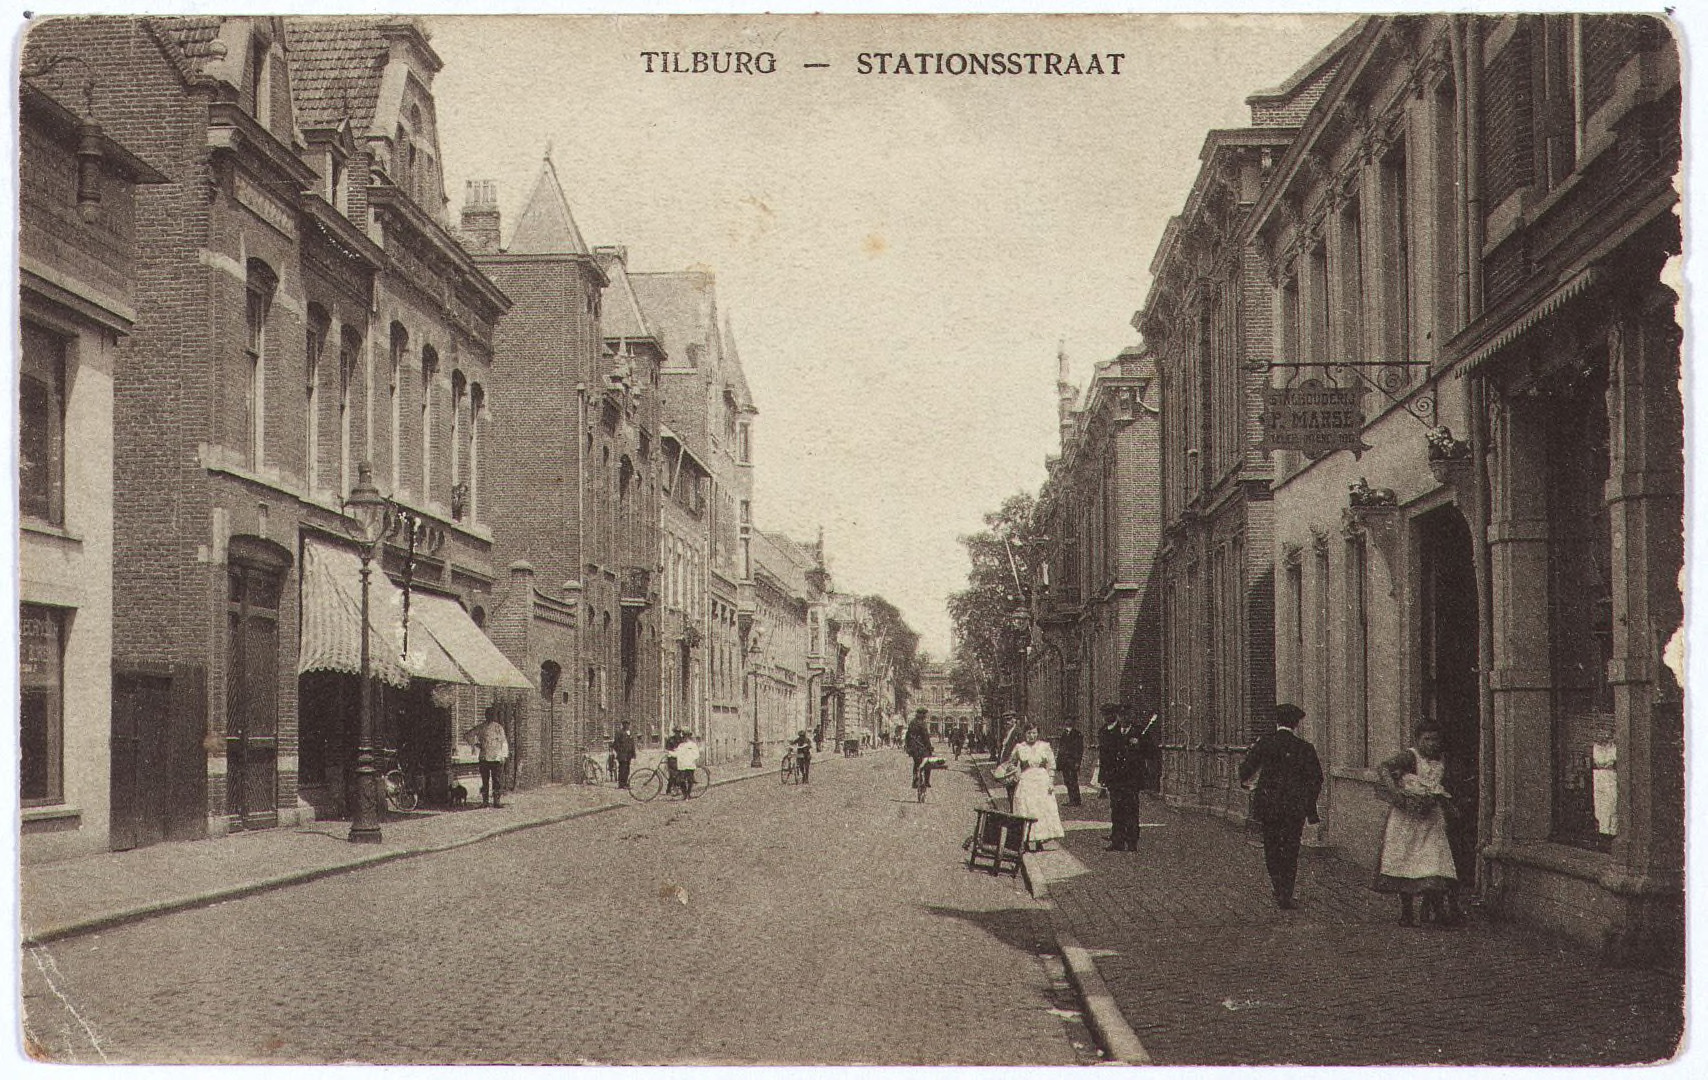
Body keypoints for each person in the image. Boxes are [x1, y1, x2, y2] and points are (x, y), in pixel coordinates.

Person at [1373, 723, 1460, 927]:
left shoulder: (1441, 761)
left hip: (1432, 819)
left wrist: (1448, 805)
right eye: (1427, 739)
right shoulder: (1410, 757)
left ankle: (1434, 910)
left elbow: (1441, 787)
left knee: (1436, 861)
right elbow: (1383, 768)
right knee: (1406, 860)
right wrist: (1396, 792)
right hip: (1406, 819)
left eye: (1435, 739)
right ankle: (1407, 911)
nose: (1431, 744)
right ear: (1417, 740)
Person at [1238, 703, 1324, 909]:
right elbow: (1317, 779)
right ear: (1296, 724)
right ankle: (1287, 892)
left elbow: (1245, 771)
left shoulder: (1265, 744)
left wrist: (1249, 782)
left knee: (1273, 847)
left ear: (1277, 722)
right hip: (1294, 809)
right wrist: (1307, 803)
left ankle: (1278, 888)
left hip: (1270, 807)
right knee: (1291, 848)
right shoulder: (1305, 748)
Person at [1006, 724, 1065, 851]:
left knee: (1042, 809)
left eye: (1034, 733)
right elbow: (1011, 763)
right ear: (1024, 734)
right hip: (1026, 781)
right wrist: (1015, 773)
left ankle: (1040, 840)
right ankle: (1025, 840)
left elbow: (1051, 765)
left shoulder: (1044, 746)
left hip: (1042, 782)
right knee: (1026, 808)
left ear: (1037, 733)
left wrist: (1051, 782)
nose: (1031, 736)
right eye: (1028, 733)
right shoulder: (1019, 747)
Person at [1099, 705, 1146, 851]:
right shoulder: (1111, 732)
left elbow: (1150, 751)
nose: (1124, 718)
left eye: (1127, 715)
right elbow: (1105, 757)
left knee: (1131, 810)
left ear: (1131, 716)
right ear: (1118, 717)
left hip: (1131, 779)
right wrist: (1103, 777)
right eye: (1122, 715)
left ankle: (1132, 842)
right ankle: (1117, 841)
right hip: (1115, 778)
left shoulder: (1138, 732)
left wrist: (1139, 744)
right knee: (1116, 810)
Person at [463, 708, 510, 809]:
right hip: (484, 757)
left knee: (497, 780)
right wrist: (475, 745)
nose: (490, 717)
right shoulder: (481, 727)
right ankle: (485, 801)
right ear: (486, 716)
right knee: (485, 780)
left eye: (492, 715)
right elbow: (467, 735)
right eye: (488, 715)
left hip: (497, 757)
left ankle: (496, 801)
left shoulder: (498, 728)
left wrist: (504, 756)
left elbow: (504, 742)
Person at [1055, 717, 1085, 807]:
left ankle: (1076, 800)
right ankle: (1071, 799)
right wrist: (1059, 762)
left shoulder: (1077, 734)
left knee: (1073, 781)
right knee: (1067, 781)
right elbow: (1061, 749)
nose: (1067, 722)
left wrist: (1077, 762)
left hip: (1072, 762)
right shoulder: (1064, 734)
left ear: (1072, 722)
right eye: (1066, 721)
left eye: (1069, 721)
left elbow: (1079, 750)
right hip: (1065, 762)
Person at [904, 709, 934, 789]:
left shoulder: (912, 722)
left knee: (916, 763)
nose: (925, 716)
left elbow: (907, 735)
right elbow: (926, 737)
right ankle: (927, 781)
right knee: (928, 762)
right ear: (922, 715)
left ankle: (915, 780)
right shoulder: (922, 724)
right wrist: (930, 747)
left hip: (913, 746)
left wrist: (907, 746)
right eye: (924, 714)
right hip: (920, 746)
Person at [673, 731, 701, 799]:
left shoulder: (693, 745)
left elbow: (696, 754)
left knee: (690, 780)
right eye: (684, 736)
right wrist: (669, 753)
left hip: (690, 765)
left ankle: (688, 794)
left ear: (689, 736)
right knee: (681, 781)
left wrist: (691, 759)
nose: (685, 738)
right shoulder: (681, 745)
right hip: (682, 766)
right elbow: (676, 753)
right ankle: (685, 794)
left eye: (686, 736)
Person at [611, 721, 637, 789]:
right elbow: (615, 744)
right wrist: (620, 751)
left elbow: (632, 744)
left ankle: (625, 783)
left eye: (628, 725)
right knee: (622, 769)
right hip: (622, 755)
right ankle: (621, 784)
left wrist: (633, 754)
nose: (627, 726)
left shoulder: (630, 733)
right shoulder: (619, 733)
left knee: (627, 769)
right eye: (625, 725)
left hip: (628, 755)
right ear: (623, 725)